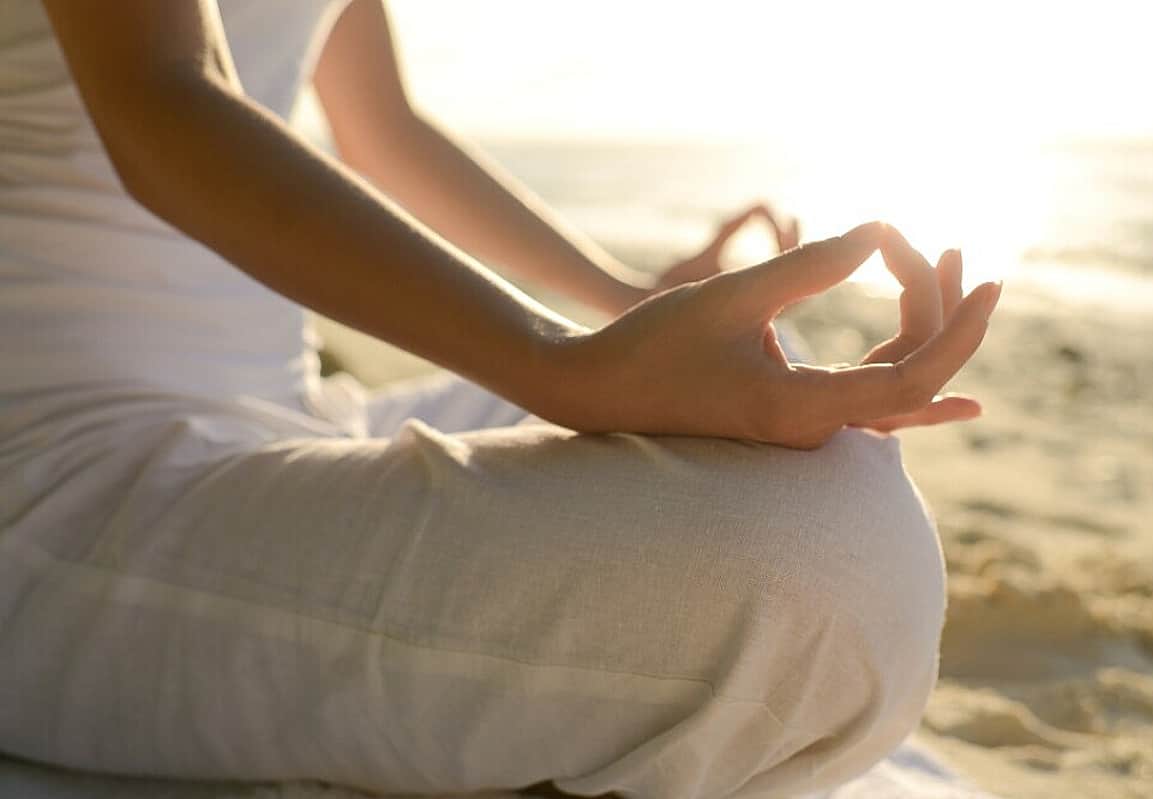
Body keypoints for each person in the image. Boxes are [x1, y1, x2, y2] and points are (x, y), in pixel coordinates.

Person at [0, 1, 1000, 797]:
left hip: (298, 416)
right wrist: (564, 368)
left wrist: (627, 306)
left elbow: (383, 128)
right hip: (64, 476)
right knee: (822, 561)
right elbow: (161, 95)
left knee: (795, 436)